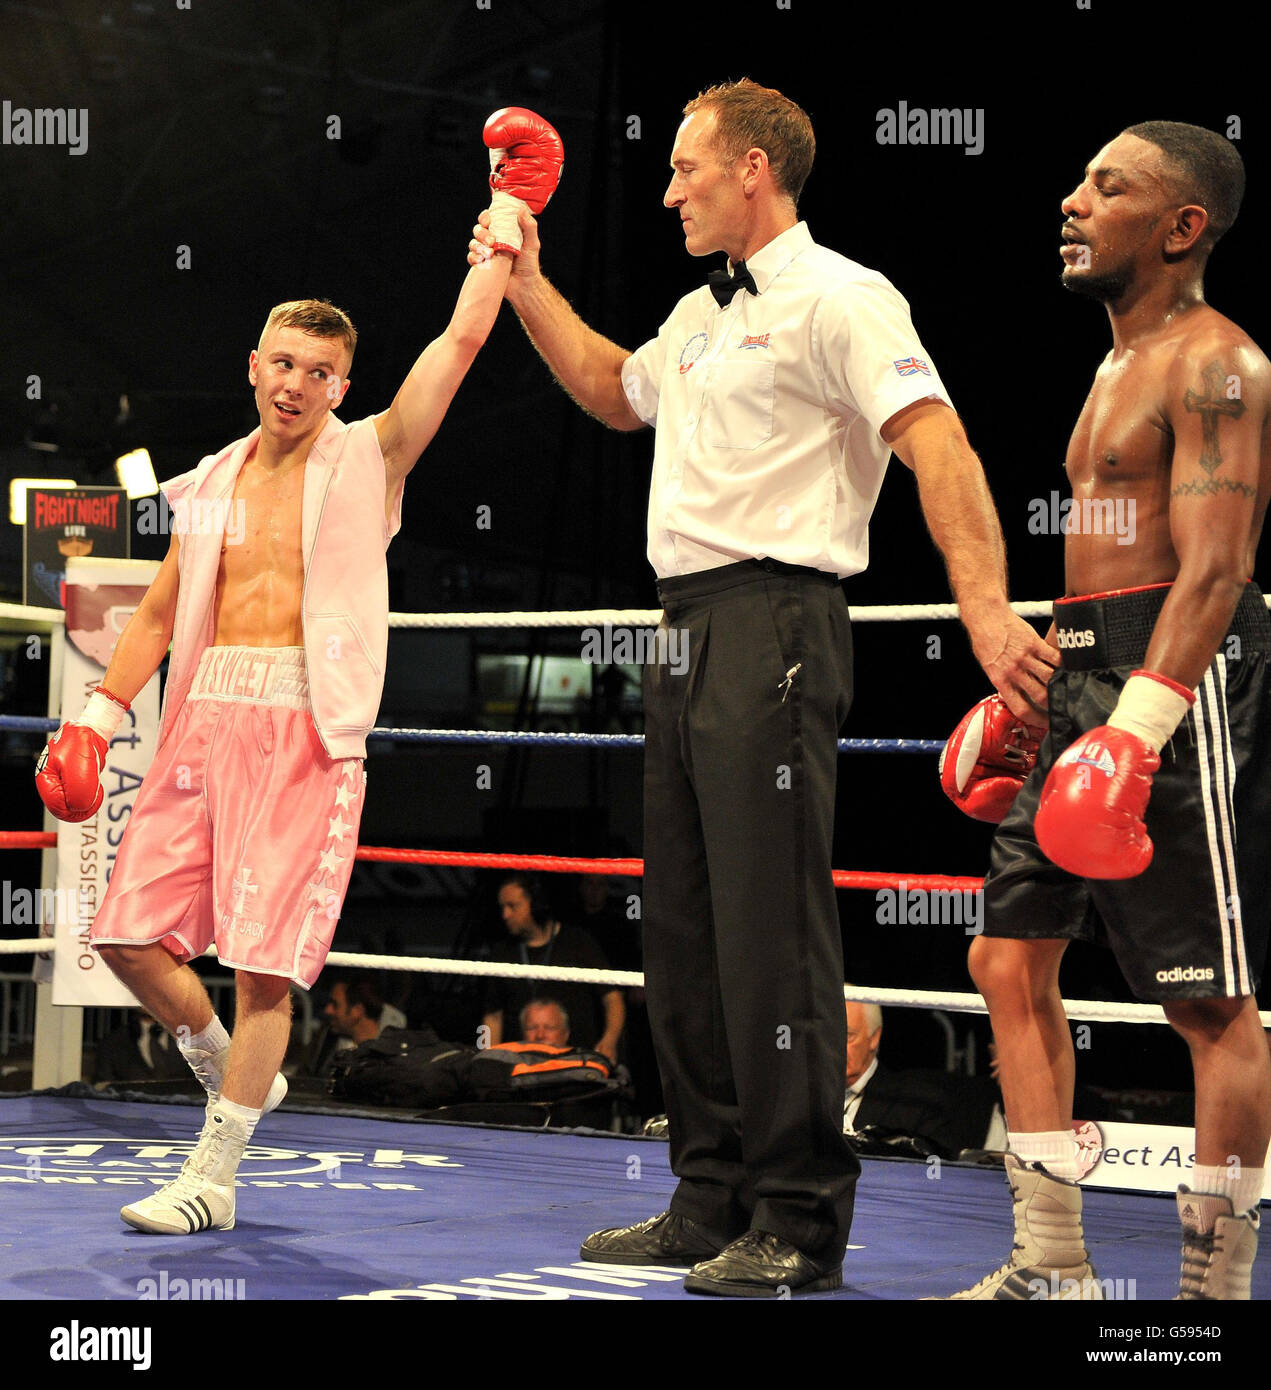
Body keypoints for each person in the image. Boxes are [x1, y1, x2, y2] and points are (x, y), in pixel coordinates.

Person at [471, 78, 1056, 1296]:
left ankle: (795, 1209)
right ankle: (708, 1192)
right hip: (680, 626)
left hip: (777, 614)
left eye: (687, 167)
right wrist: (521, 274)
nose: (670, 186)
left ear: (750, 169)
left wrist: (985, 610)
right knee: (682, 927)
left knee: (768, 930)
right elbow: (602, 387)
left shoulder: (843, 295)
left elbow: (935, 440)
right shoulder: (691, 314)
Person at [35, 108, 564, 1236]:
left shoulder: (370, 457)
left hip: (305, 729)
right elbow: (166, 609)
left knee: (265, 963)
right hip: (200, 718)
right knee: (126, 930)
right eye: (282, 361)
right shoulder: (214, 478)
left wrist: (510, 211)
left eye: (319, 370)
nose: (296, 382)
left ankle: (214, 1178)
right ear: (254, 364)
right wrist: (95, 711)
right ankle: (232, 1067)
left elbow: (457, 348)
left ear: (338, 384)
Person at [944, 122, 1270, 1301]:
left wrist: (1133, 729)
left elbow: (1212, 567)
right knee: (1003, 954)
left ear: (1181, 227)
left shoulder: (1216, 361)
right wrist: (1039, 679)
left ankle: (1210, 1296)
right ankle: (1048, 1265)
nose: (1071, 201)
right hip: (1083, 672)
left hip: (1174, 684)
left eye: (1106, 186)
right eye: (1077, 177)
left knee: (1208, 1003)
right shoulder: (1109, 363)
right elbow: (1102, 557)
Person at [481, 873, 625, 1061]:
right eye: (503, 907)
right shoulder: (501, 952)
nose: (505, 915)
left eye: (512, 906)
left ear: (536, 904)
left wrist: (610, 1041)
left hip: (578, 1062)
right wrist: (491, 1060)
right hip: (522, 1066)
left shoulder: (578, 942)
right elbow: (493, 1016)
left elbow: (612, 997)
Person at [842, 999, 1005, 1156]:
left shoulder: (918, 1104)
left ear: (874, 1038)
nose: (835, 1045)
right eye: (826, 1034)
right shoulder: (817, 1096)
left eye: (848, 1035)